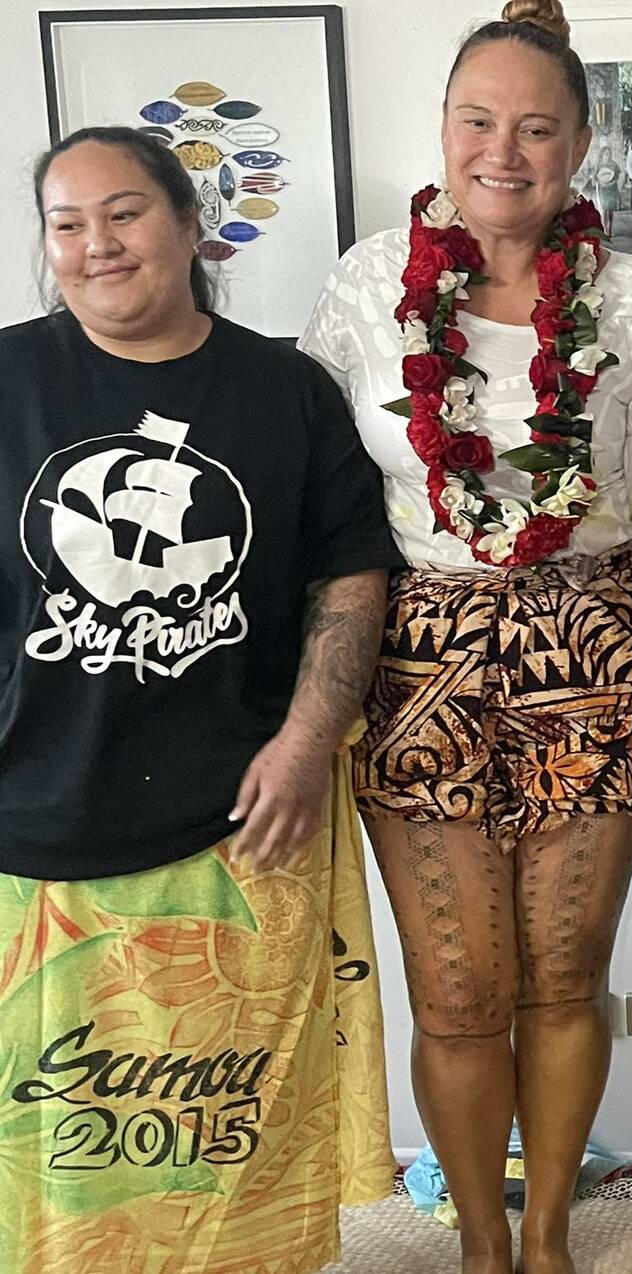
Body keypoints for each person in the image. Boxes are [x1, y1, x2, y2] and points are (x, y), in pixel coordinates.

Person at [299, 3, 632, 1272]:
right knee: (460, 991)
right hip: (412, 653)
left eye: (537, 127)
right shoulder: (370, 285)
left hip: (590, 646)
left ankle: (547, 1239)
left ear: (582, 142)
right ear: (441, 128)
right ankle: (480, 1240)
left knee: (561, 978)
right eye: (477, 120)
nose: (503, 150)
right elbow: (319, 493)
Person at [0, 126, 397, 1274]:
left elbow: (349, 573)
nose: (95, 244)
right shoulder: (7, 378)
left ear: (187, 222)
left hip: (240, 824)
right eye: (66, 223)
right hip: (34, 828)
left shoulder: (285, 391)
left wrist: (308, 736)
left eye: (122, 213)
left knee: (227, 1141)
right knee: (56, 1145)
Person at [588, 142, 621, 233]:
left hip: (612, 189)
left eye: (608, 153)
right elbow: (595, 178)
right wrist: (601, 183)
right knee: (604, 209)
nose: (607, 155)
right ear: (602, 154)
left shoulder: (614, 165)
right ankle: (605, 229)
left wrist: (611, 183)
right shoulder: (598, 165)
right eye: (605, 153)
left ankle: (610, 229)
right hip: (602, 189)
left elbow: (617, 177)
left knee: (610, 210)